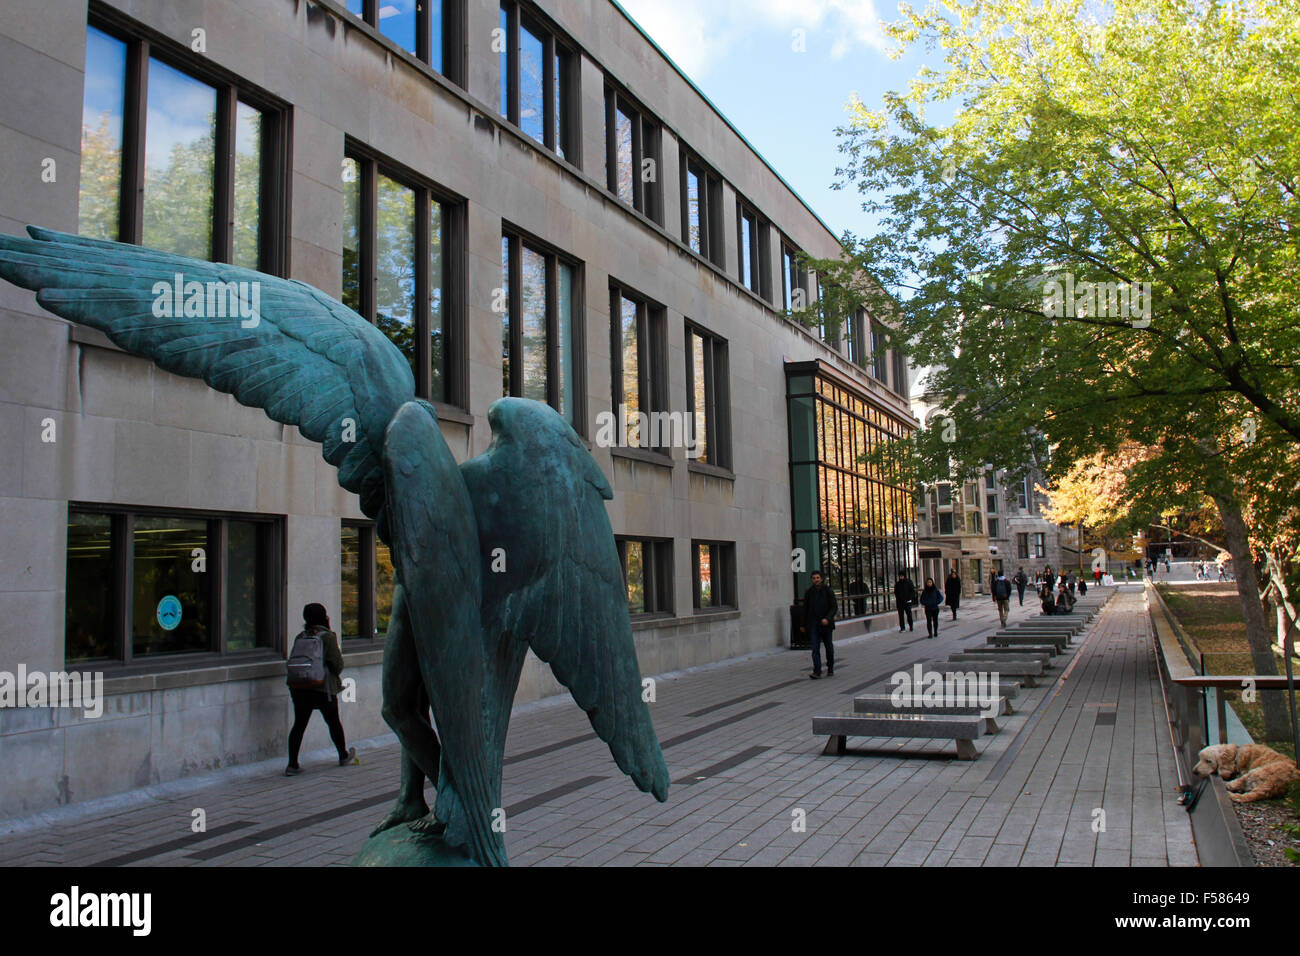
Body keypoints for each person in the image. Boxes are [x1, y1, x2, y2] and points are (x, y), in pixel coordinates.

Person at [285, 603, 355, 776]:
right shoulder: (328, 637)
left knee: (299, 725)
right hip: (323, 687)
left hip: (300, 687)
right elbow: (337, 665)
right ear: (324, 616)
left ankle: (292, 764)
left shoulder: (300, 636)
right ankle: (343, 755)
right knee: (333, 722)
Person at [801, 571, 837, 679]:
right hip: (814, 624)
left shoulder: (828, 591)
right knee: (815, 648)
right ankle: (817, 670)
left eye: (817, 577)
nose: (815, 580)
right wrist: (803, 624)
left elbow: (834, 607)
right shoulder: (809, 592)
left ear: (821, 579)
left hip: (826, 624)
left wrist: (827, 618)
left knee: (828, 647)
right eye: (813, 578)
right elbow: (805, 609)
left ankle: (830, 667)